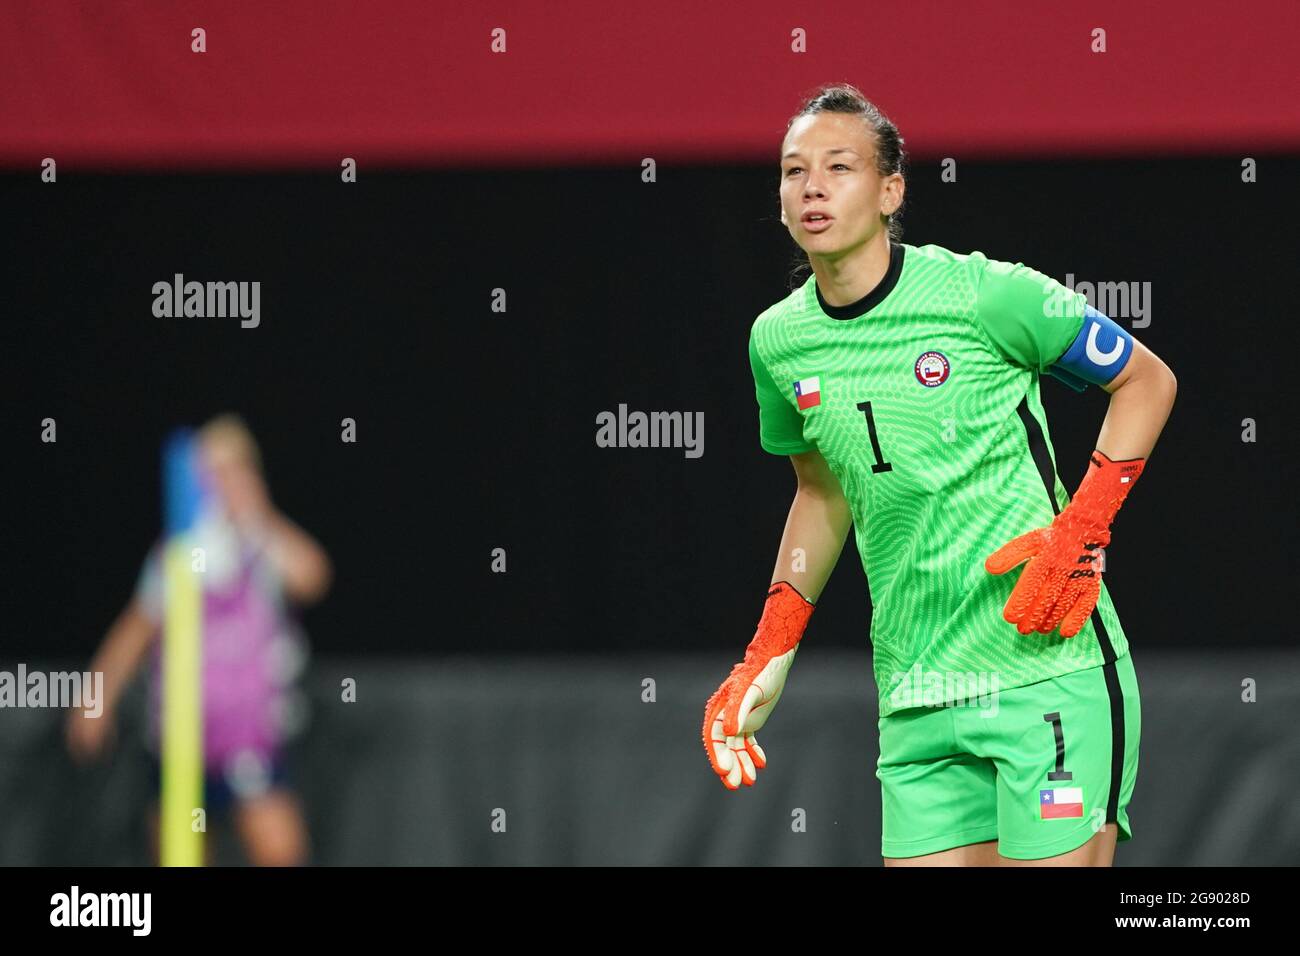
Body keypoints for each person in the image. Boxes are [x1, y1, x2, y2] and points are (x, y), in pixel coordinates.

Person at [702, 84, 1177, 867]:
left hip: (1047, 673)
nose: (811, 186)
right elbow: (821, 492)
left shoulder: (986, 294)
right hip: (917, 694)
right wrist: (770, 646)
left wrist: (1082, 528)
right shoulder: (778, 343)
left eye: (839, 166)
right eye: (793, 171)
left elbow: (1147, 381)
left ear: (891, 191)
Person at [66, 414, 332, 866]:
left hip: (248, 740)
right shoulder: (177, 554)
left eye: (235, 470)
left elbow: (313, 576)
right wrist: (96, 699)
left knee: (279, 848)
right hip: (180, 738)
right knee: (181, 853)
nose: (224, 483)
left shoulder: (263, 546)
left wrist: (260, 517)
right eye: (214, 473)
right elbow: (134, 631)